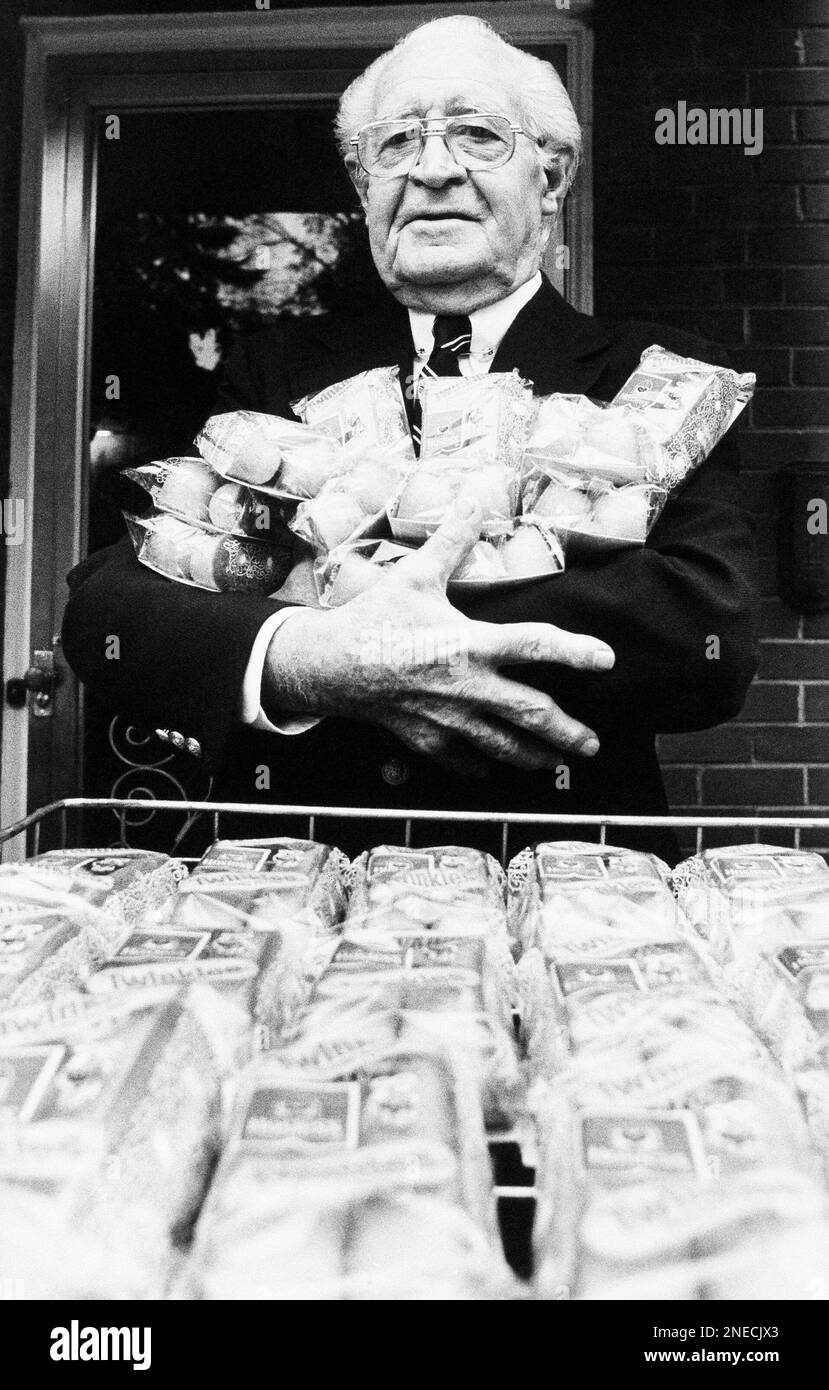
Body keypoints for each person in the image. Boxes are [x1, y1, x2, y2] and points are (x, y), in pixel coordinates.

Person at [62, 16, 759, 863]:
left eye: (475, 134)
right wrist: (308, 658)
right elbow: (114, 606)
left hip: (565, 889)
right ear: (362, 185)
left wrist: (382, 630)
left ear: (552, 175)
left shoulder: (656, 378)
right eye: (394, 144)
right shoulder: (270, 367)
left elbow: (699, 635)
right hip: (294, 883)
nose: (432, 169)